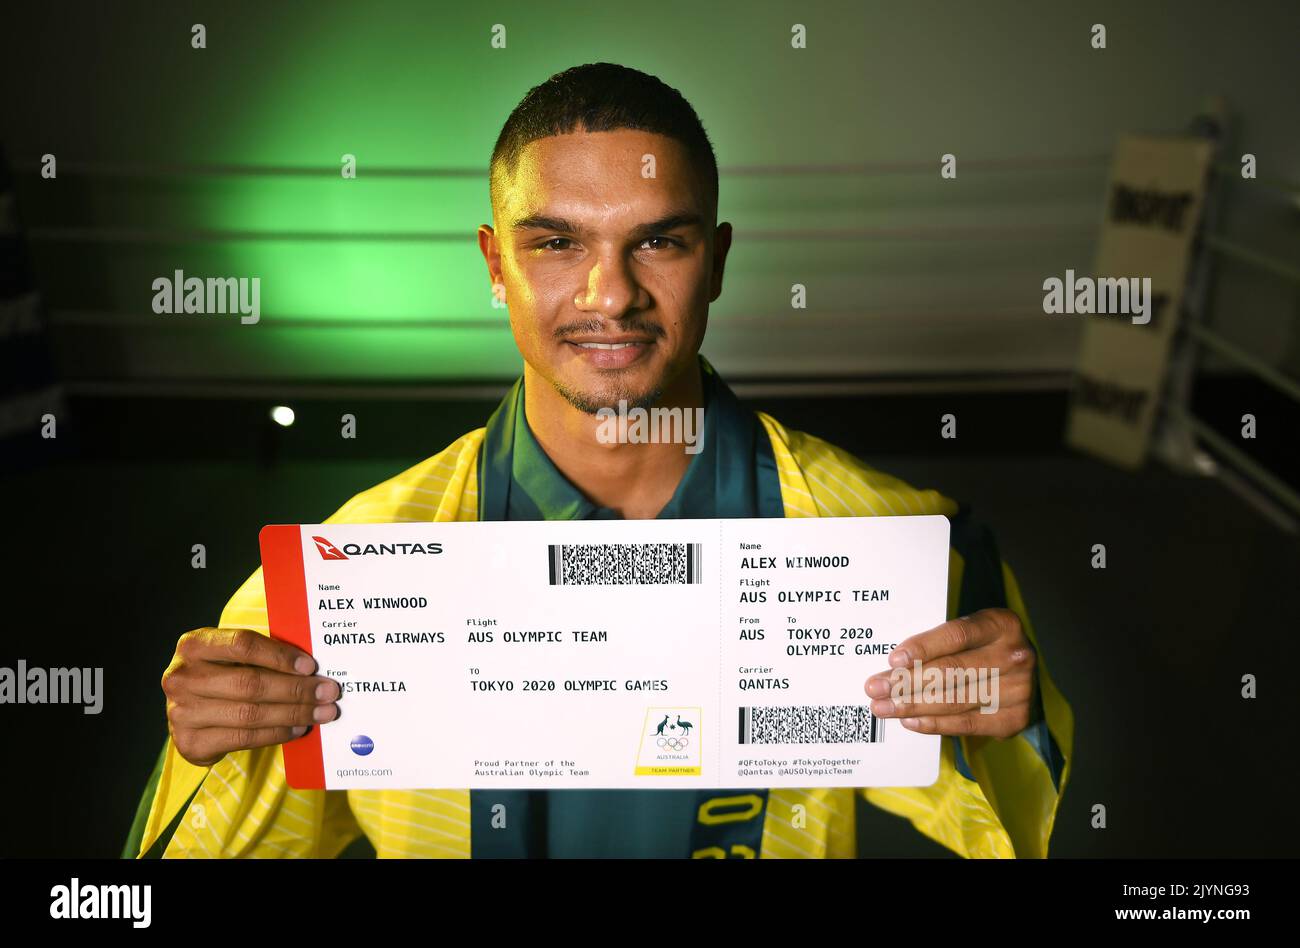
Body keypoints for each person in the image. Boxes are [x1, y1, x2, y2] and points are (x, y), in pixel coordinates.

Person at [124, 62, 1072, 859]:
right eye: (556, 242)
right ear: (496, 266)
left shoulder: (890, 540)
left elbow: (1008, 831)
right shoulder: (346, 573)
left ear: (719, 261)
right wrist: (210, 751)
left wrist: (1005, 729)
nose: (609, 293)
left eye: (658, 240)